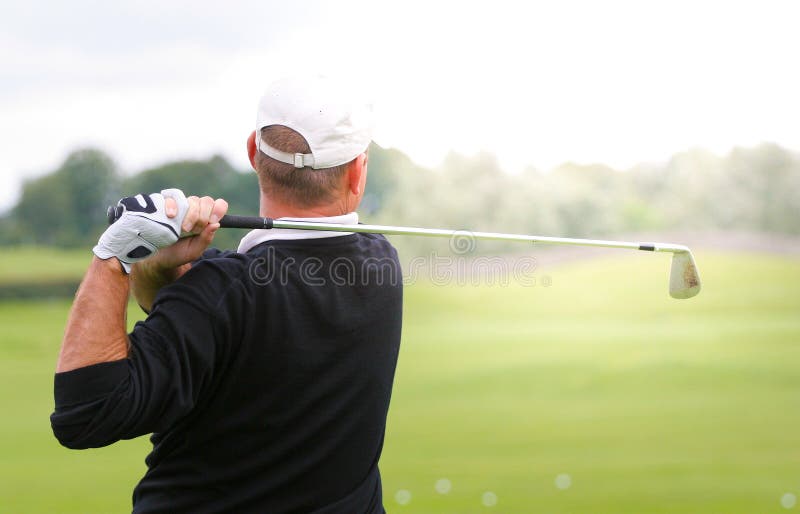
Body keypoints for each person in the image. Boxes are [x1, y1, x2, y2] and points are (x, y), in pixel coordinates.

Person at [51, 76, 403, 513]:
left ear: (254, 151)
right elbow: (227, 316)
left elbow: (85, 412)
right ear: (357, 172)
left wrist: (116, 255)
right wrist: (163, 270)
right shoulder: (382, 265)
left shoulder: (218, 293)